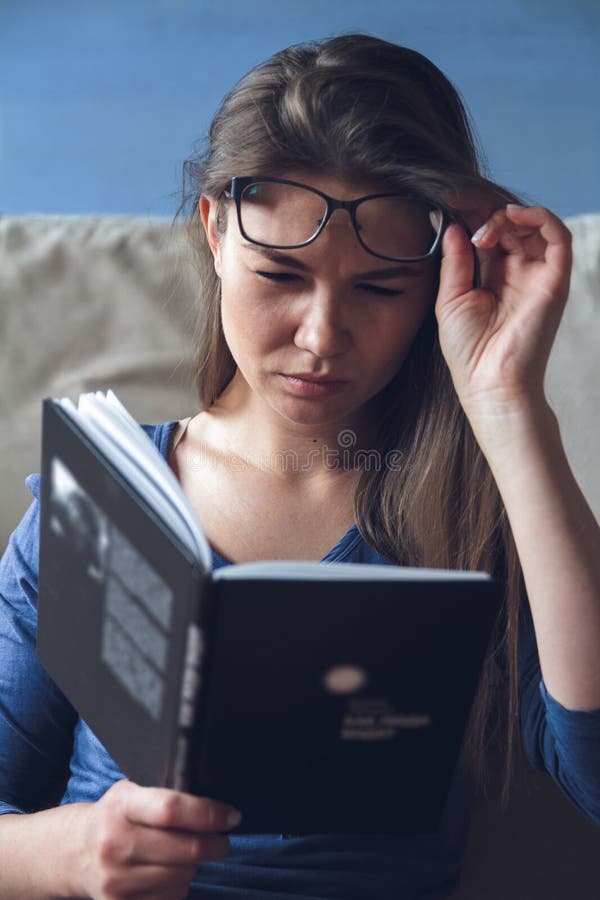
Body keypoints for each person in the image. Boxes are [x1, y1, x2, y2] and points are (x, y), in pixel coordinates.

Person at [1, 32, 599, 900]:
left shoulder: (477, 515)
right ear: (215, 231)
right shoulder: (97, 501)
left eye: (378, 289)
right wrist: (72, 851)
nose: (321, 338)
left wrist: (510, 405)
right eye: (281, 276)